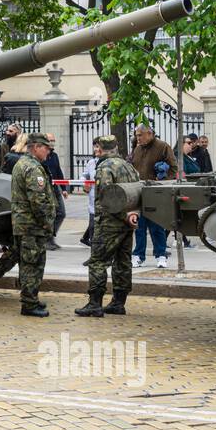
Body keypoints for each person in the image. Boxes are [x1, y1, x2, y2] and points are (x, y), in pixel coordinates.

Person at [76, 134, 140, 317]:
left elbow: (106, 197)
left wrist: (120, 215)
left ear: (101, 149)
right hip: (128, 221)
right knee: (122, 262)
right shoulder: (129, 166)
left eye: (98, 147)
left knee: (97, 262)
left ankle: (94, 304)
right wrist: (131, 216)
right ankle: (118, 303)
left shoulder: (104, 167)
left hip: (109, 222)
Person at [10, 133, 56, 317]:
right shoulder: (33, 168)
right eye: (46, 148)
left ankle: (31, 298)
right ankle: (29, 303)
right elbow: (38, 201)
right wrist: (47, 223)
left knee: (28, 262)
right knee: (32, 264)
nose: (48, 152)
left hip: (24, 224)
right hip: (32, 225)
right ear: (36, 147)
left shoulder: (22, 164)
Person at [130, 125, 177, 269]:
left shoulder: (162, 147)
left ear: (150, 134)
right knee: (139, 226)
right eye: (137, 135)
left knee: (156, 226)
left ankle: (161, 255)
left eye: (140, 135)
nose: (138, 138)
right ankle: (138, 256)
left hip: (156, 193)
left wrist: (161, 181)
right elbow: (132, 167)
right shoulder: (137, 149)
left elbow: (173, 167)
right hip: (140, 191)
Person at [42, 132, 67, 250]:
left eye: (53, 140)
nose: (52, 143)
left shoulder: (54, 155)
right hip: (46, 189)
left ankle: (51, 236)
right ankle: (47, 240)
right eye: (50, 140)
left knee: (61, 213)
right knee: (50, 215)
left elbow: (58, 172)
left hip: (55, 188)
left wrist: (63, 188)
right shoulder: (42, 156)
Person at [81, 138, 103, 246]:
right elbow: (84, 176)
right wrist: (85, 183)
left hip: (106, 201)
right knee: (93, 227)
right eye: (95, 146)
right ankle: (94, 253)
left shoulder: (110, 163)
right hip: (93, 201)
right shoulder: (91, 163)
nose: (96, 149)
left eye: (98, 146)